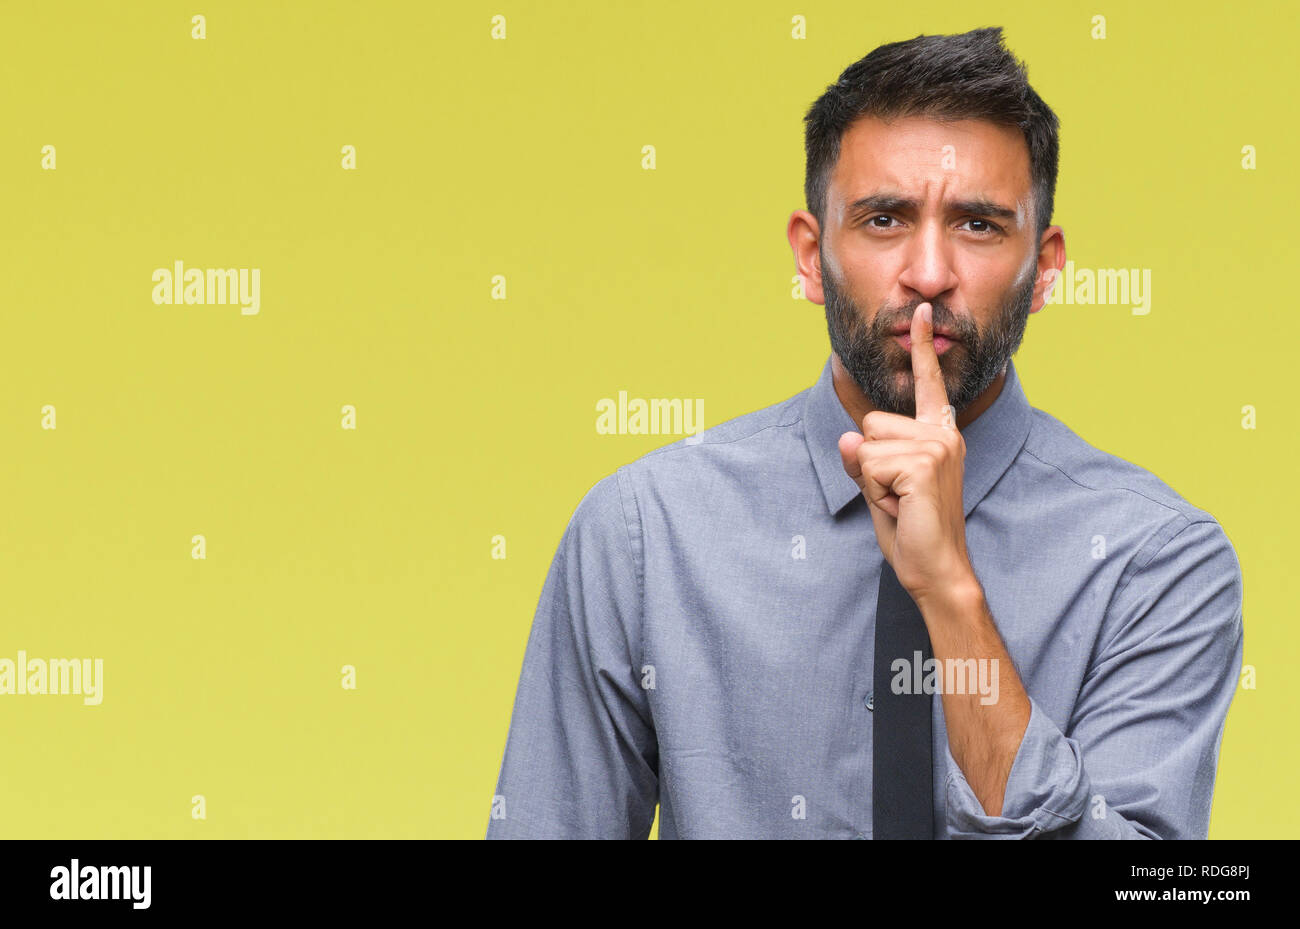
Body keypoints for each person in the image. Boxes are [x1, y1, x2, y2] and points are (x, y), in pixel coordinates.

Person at [486, 26, 1244, 839]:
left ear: (1046, 269)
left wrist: (950, 593)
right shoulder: (641, 536)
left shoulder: (1159, 561)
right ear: (810, 259)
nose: (927, 272)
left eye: (979, 225)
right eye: (884, 219)